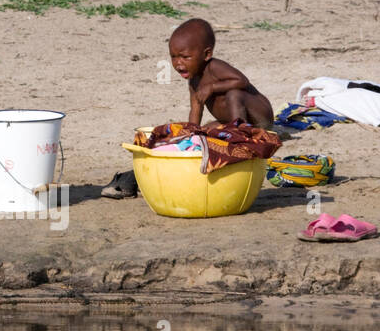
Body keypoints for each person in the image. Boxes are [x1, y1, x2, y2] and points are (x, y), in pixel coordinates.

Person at [102, 17, 274, 198]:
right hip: (230, 119)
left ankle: (240, 136)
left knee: (233, 94)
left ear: (206, 54)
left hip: (259, 116)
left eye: (185, 57)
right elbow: (195, 108)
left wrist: (212, 87)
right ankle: (230, 132)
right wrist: (192, 135)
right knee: (206, 129)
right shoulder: (194, 81)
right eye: (174, 57)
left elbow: (241, 81)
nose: (178, 63)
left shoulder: (215, 67)